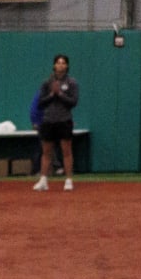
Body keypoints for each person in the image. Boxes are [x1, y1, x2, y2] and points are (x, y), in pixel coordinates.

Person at [35, 54, 79, 191]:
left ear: (67, 66)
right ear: (54, 65)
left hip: (64, 120)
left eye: (63, 63)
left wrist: (60, 94)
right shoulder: (46, 83)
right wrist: (52, 95)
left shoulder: (71, 83)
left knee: (66, 151)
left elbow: (73, 102)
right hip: (48, 120)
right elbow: (40, 103)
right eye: (58, 63)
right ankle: (43, 180)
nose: (60, 65)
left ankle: (68, 180)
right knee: (46, 152)